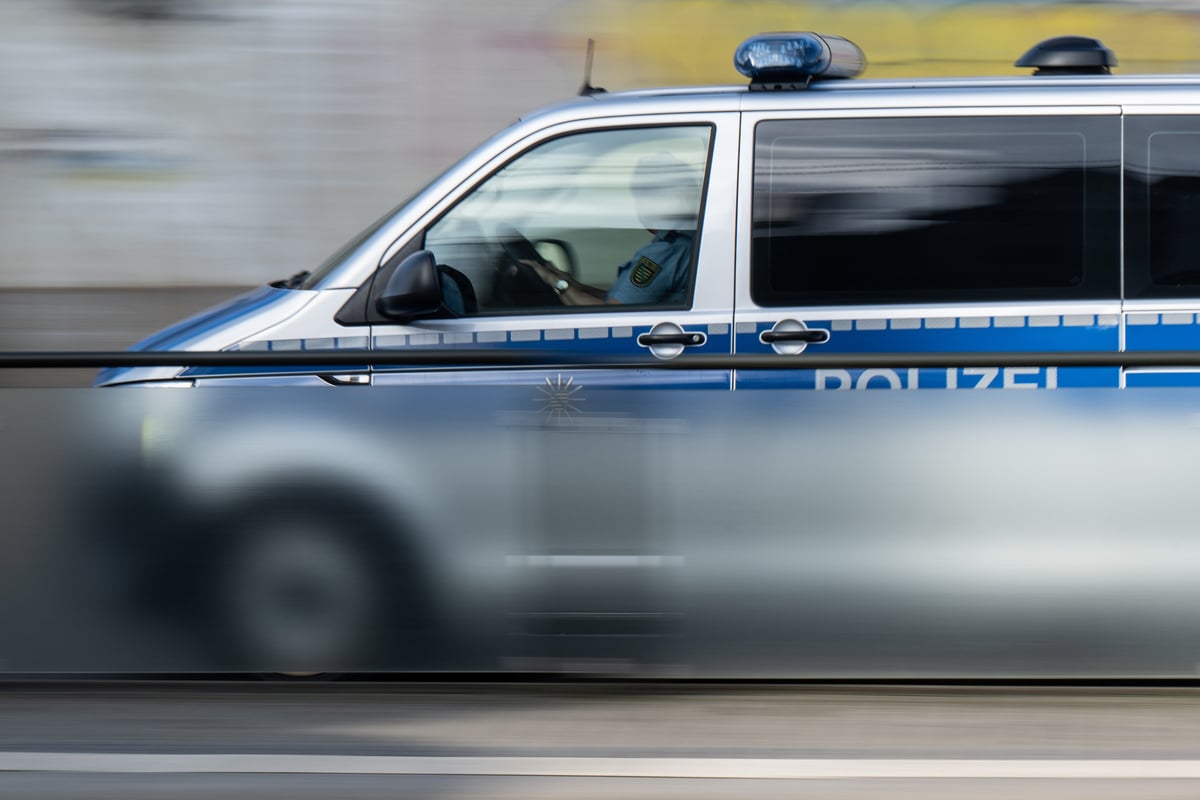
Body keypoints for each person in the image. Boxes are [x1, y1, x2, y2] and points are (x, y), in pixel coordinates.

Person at [524, 154, 701, 306]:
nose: (641, 205)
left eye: (644, 195)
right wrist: (573, 284)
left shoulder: (665, 253)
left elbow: (610, 314)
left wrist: (555, 282)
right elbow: (623, 298)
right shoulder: (688, 242)